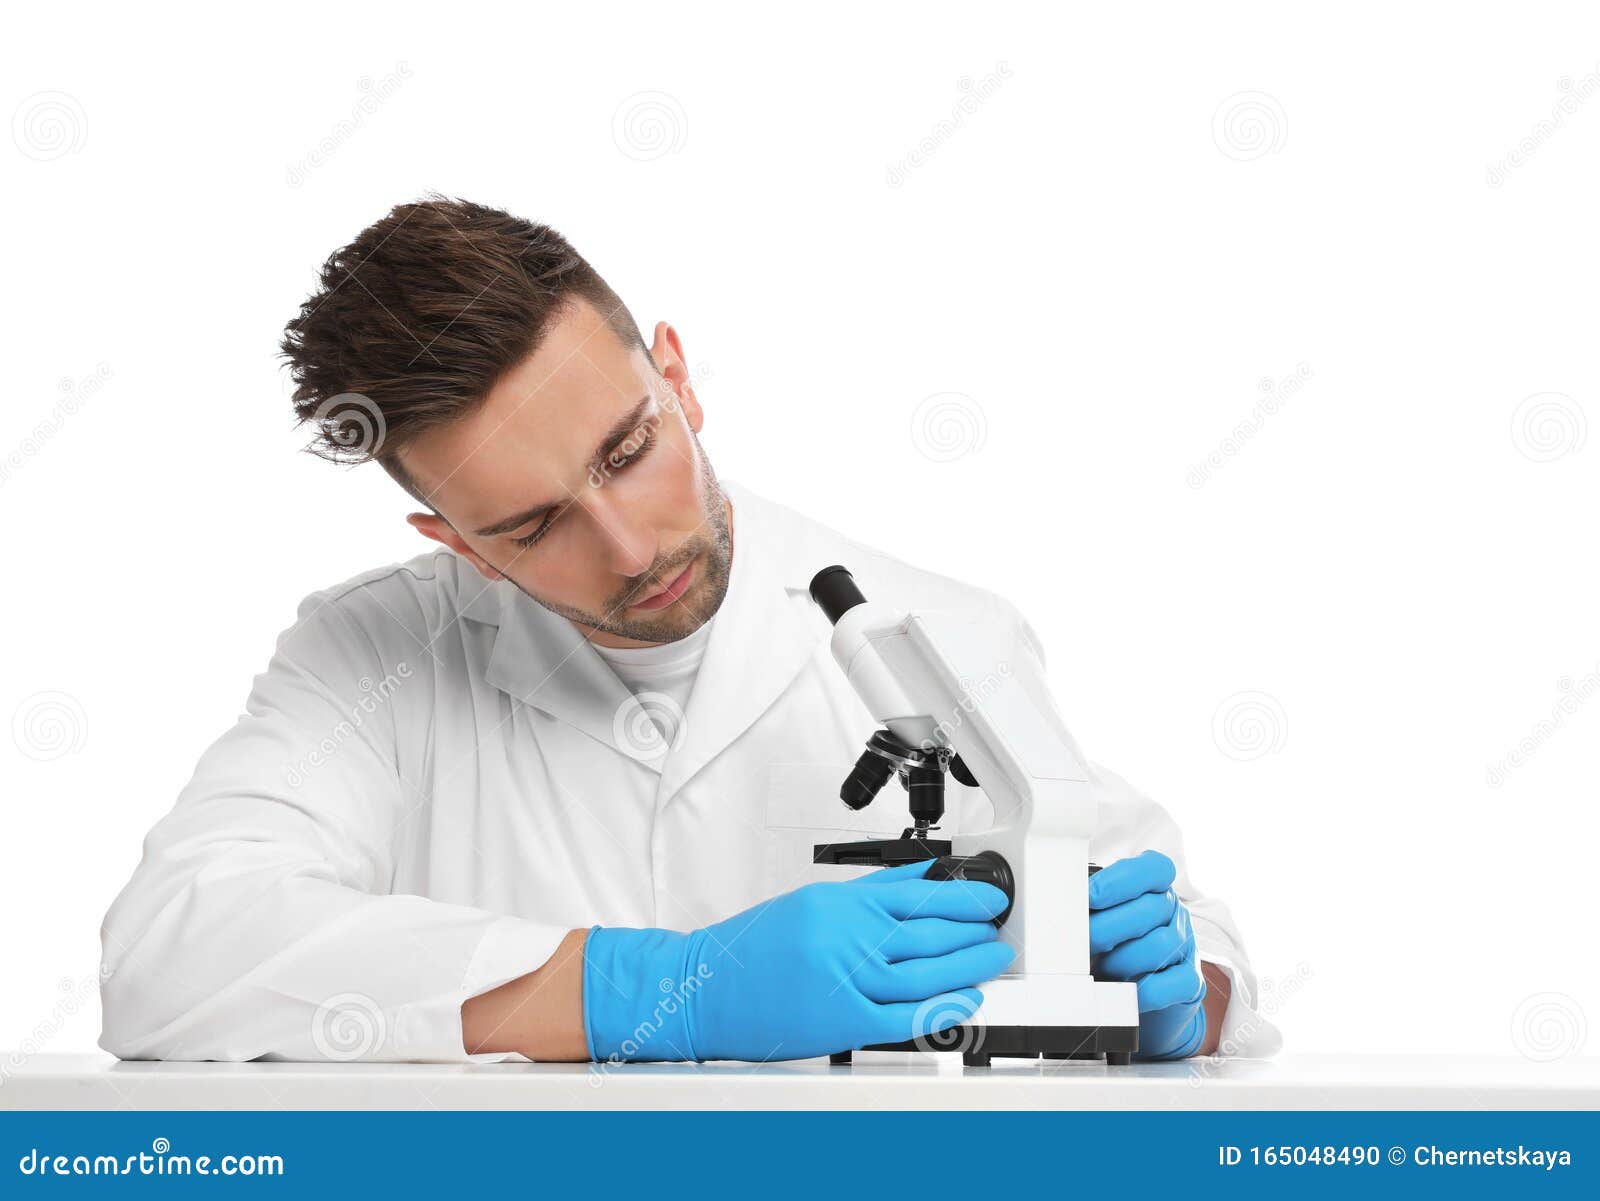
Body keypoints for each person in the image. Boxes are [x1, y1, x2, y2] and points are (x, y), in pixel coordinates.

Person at [99, 197, 1280, 1065]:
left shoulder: (936, 631)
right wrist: (649, 988)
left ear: (675, 377)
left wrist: (1175, 994)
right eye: (530, 523)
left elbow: (1200, 943)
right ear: (451, 535)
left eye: (628, 451)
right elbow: (172, 954)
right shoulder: (371, 661)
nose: (627, 547)